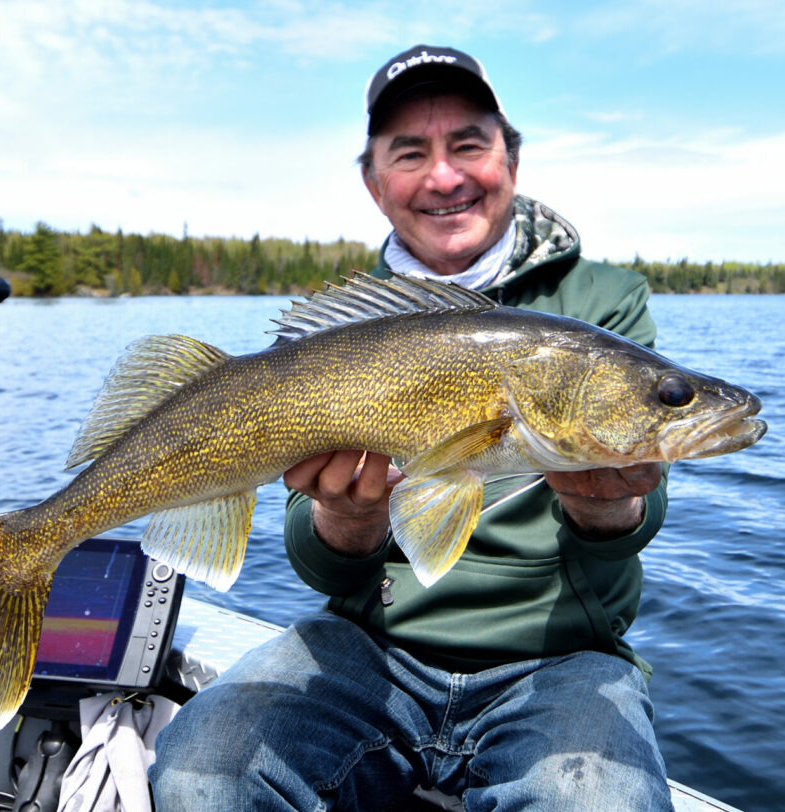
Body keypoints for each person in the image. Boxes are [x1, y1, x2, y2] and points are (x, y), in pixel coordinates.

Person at [151, 45, 674, 810]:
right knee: (204, 772)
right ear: (372, 182)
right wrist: (345, 512)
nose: (444, 176)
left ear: (511, 160)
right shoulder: (344, 325)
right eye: (409, 152)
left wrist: (610, 501)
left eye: (468, 143)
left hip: (560, 658)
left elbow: (638, 509)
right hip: (369, 651)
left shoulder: (598, 302)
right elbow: (325, 567)